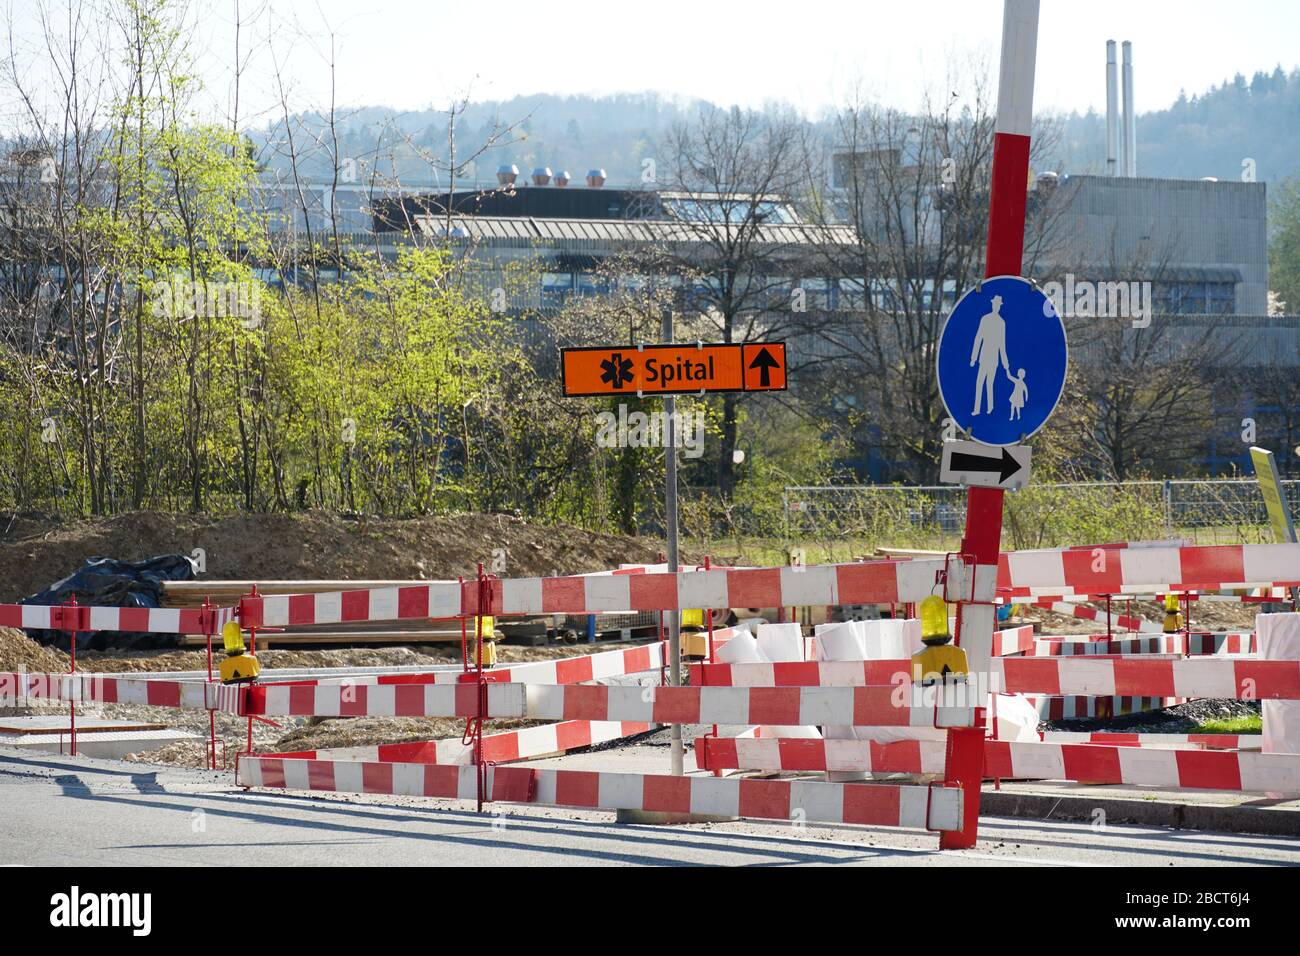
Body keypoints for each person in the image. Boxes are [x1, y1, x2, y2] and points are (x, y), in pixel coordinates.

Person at [969, 295, 1009, 415]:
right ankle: (977, 409)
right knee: (979, 382)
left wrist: (1005, 363)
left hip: (993, 358)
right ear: (993, 305)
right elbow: (978, 338)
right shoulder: (985, 319)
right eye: (995, 304)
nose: (996, 307)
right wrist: (973, 358)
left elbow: (1002, 345)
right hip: (984, 356)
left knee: (989, 383)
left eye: (998, 305)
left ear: (999, 307)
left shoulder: (1002, 323)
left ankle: (990, 408)